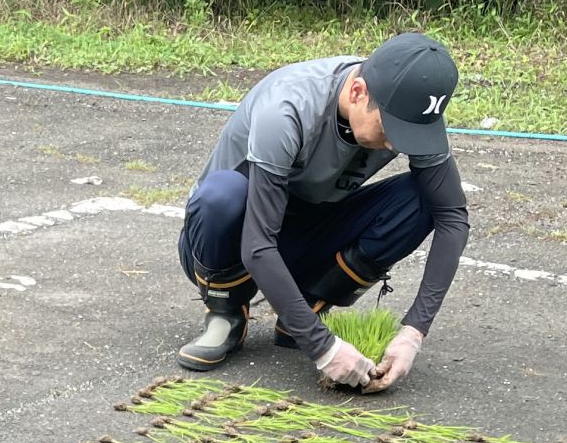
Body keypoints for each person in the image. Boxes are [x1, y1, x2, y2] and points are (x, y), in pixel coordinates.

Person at [175, 31, 470, 395]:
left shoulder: (402, 106)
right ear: (358, 92)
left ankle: (305, 304)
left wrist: (414, 331)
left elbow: (453, 217)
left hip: (305, 230)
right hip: (232, 238)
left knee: (423, 198)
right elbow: (257, 244)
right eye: (391, 129)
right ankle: (227, 312)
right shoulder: (288, 108)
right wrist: (323, 347)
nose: (397, 144)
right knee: (223, 195)